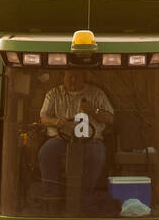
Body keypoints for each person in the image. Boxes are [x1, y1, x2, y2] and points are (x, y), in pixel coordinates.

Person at [37, 70, 115, 199]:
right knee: (46, 153)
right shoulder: (53, 94)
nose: (73, 80)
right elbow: (43, 118)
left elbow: (110, 118)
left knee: (97, 156)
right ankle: (51, 196)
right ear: (63, 77)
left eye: (77, 76)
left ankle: (84, 195)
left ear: (84, 77)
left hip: (90, 140)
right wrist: (56, 122)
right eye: (70, 77)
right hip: (61, 139)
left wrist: (93, 110)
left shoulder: (97, 93)